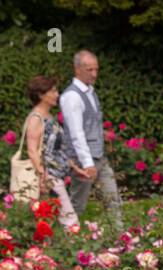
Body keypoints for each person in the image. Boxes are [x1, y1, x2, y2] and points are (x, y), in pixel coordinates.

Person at [59, 50, 123, 230]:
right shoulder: (71, 96)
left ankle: (120, 237)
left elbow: (90, 124)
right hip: (82, 160)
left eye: (96, 69)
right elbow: (76, 133)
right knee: (77, 205)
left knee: (113, 199)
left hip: (99, 156)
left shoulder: (90, 92)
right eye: (89, 70)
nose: (94, 74)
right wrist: (87, 163)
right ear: (77, 69)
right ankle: (64, 239)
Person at [22, 75, 85, 230]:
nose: (57, 94)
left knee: (46, 220)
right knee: (70, 221)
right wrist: (43, 176)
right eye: (53, 91)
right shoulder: (35, 118)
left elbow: (58, 150)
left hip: (56, 175)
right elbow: (32, 150)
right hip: (49, 177)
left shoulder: (49, 117)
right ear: (41, 95)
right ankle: (80, 251)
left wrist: (75, 168)